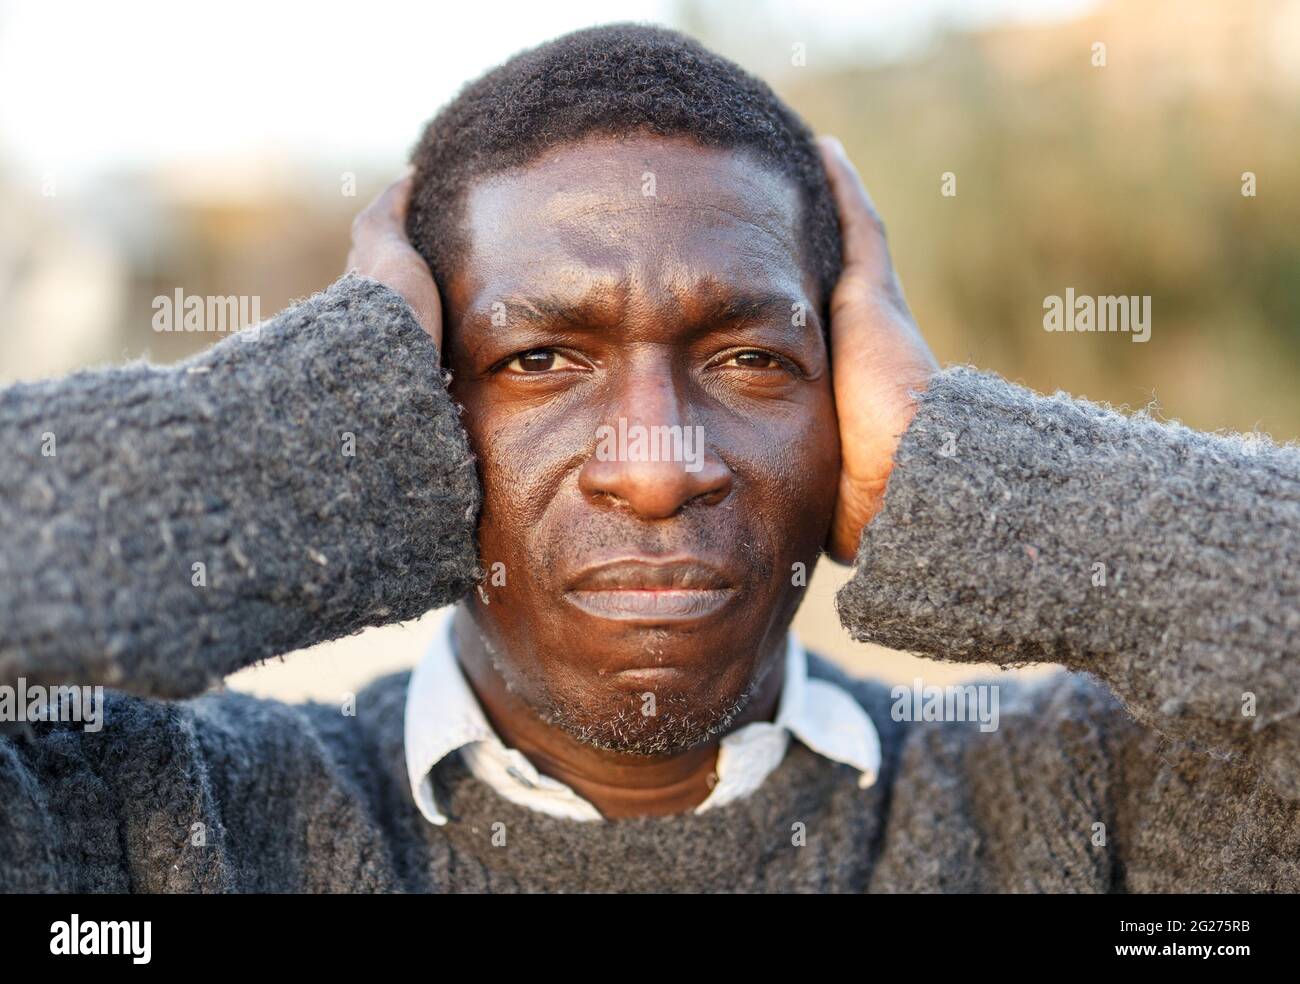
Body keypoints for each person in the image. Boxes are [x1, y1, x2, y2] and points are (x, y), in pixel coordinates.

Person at [1, 25, 1296, 893]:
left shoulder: (1080, 804)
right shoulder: (152, 819)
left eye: (751, 358)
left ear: (849, 402)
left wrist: (962, 474)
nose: (659, 470)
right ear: (410, 414)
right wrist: (297, 449)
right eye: (538, 360)